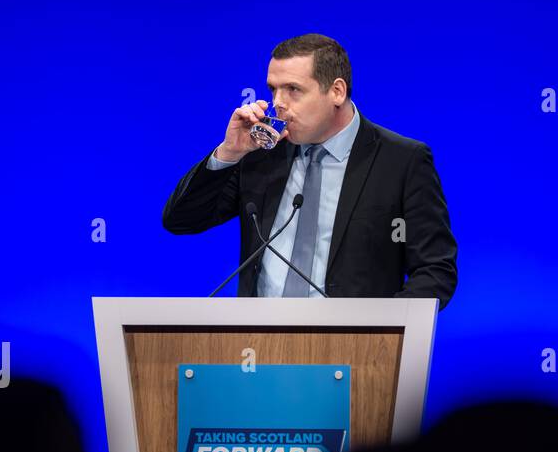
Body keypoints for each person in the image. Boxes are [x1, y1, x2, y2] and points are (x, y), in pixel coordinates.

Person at [162, 32, 458, 307]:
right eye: (273, 89)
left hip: (353, 354)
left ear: (337, 92)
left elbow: (435, 270)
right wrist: (230, 152)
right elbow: (181, 220)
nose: (278, 103)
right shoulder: (261, 154)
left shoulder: (401, 160)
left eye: (293, 89)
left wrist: (381, 333)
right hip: (256, 350)